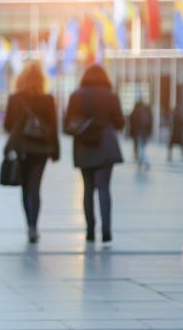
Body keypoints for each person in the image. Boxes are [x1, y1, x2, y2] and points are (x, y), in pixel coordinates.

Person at [64, 64, 124, 244]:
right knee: (104, 188)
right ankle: (106, 230)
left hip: (84, 146)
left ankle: (90, 230)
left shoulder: (76, 96)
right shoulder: (111, 96)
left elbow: (67, 124)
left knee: (88, 190)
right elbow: (120, 123)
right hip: (105, 145)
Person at [3, 61, 60, 243]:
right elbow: (53, 127)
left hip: (21, 148)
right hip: (41, 149)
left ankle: (29, 224)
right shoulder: (48, 100)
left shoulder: (15, 98)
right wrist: (55, 151)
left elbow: (8, 125)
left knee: (25, 187)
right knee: (35, 187)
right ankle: (34, 226)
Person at [129, 99, 153, 169]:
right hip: (145, 133)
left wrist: (131, 133)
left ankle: (146, 162)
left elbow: (131, 123)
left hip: (138, 132)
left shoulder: (135, 111)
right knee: (142, 147)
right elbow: (150, 122)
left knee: (142, 148)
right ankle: (141, 161)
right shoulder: (146, 111)